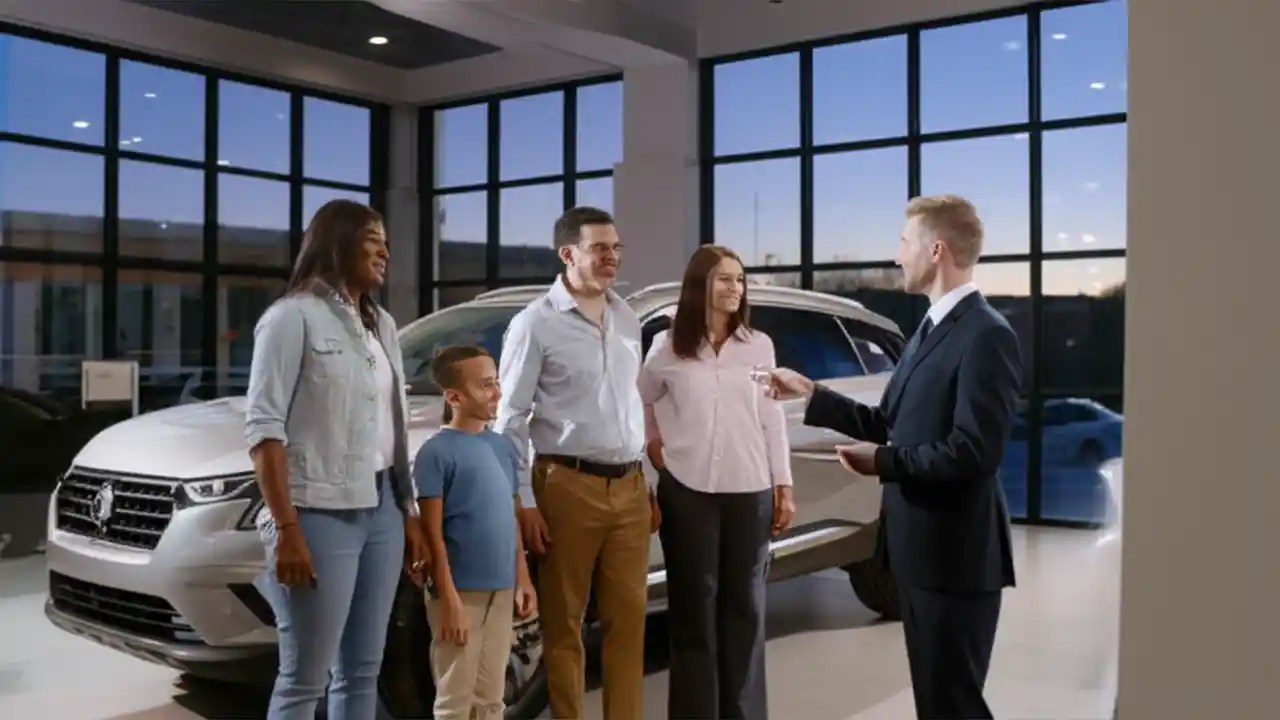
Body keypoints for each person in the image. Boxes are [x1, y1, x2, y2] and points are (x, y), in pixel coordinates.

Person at [766, 195, 1022, 720]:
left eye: (904, 243)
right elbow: (888, 421)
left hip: (957, 558)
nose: (896, 255)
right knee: (936, 702)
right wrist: (811, 393)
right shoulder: (930, 329)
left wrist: (882, 462)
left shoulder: (987, 335)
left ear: (936, 249)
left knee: (954, 705)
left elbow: (974, 453)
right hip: (919, 553)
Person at [245, 199, 429, 720]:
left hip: (384, 511)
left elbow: (390, 426)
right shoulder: (290, 318)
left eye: (387, 241)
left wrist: (408, 510)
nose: (385, 251)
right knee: (305, 677)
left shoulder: (384, 326)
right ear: (338, 240)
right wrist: (287, 528)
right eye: (374, 238)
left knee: (362, 673)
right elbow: (263, 429)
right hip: (317, 514)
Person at [492, 206, 658, 720]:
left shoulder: (627, 317)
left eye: (616, 248)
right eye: (599, 248)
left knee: (629, 623)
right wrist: (521, 501)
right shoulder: (534, 324)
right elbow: (509, 421)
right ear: (568, 254)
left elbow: (633, 407)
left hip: (629, 487)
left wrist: (646, 483)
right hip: (566, 486)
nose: (612, 257)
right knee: (564, 627)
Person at [637, 245, 795, 720]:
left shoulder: (760, 345)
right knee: (693, 613)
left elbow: (772, 418)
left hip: (750, 490)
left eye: (740, 280)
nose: (735, 288)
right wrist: (653, 446)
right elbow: (641, 399)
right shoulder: (667, 347)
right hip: (687, 491)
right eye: (724, 279)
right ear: (699, 285)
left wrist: (782, 484)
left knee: (745, 611)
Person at [414, 344, 537, 720]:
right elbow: (432, 534)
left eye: (496, 382)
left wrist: (523, 579)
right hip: (460, 593)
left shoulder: (500, 447)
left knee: (491, 698)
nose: (497, 392)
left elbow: (510, 519)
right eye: (485, 385)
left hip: (501, 591)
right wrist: (447, 598)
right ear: (454, 396)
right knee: (455, 697)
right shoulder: (436, 453)